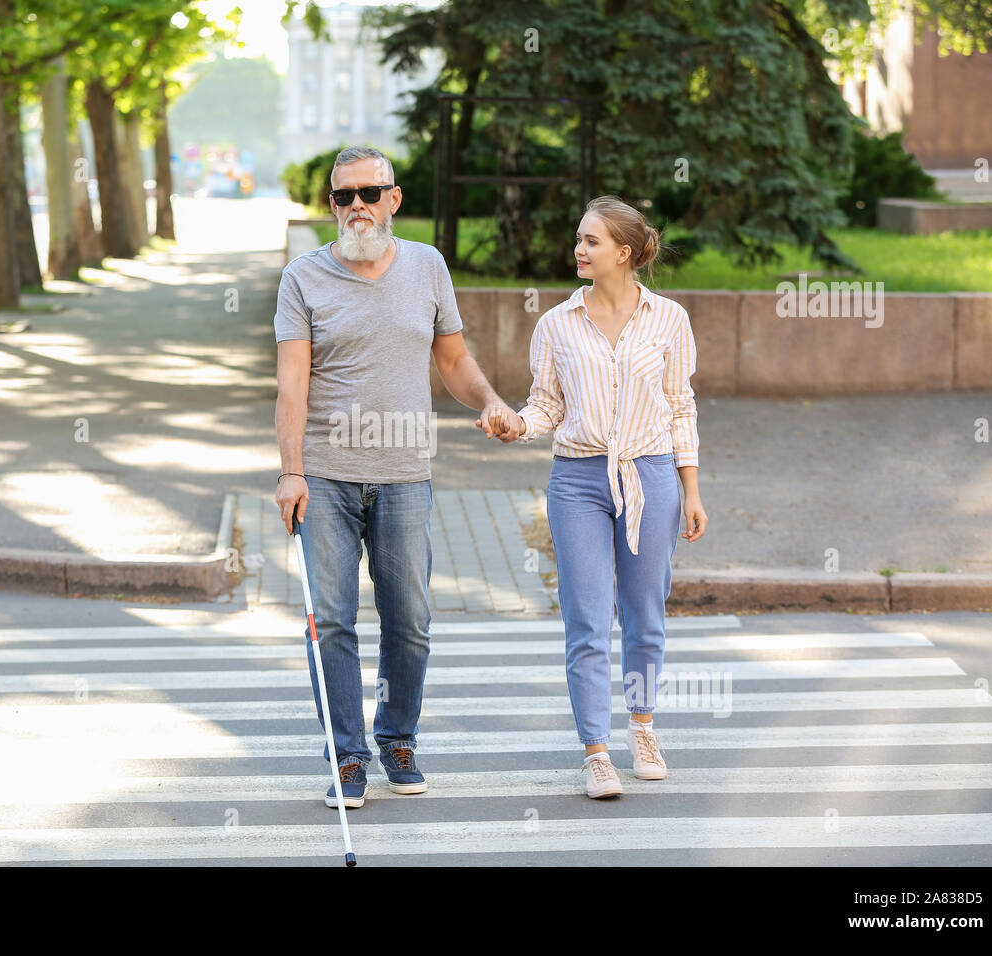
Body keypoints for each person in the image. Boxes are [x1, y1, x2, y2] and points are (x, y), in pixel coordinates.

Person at [274, 145, 517, 808]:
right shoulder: (303, 278)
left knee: (409, 617)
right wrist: (290, 471)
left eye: (369, 193)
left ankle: (397, 737)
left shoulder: (428, 267)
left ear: (394, 198)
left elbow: (455, 361)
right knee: (331, 619)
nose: (357, 207)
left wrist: (491, 401)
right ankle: (348, 757)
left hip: (405, 473)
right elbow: (292, 383)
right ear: (331, 205)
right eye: (343, 196)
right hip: (325, 475)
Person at [487, 195, 708, 798]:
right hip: (578, 480)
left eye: (591, 241)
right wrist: (517, 425)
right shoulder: (557, 324)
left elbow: (680, 406)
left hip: (652, 475)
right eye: (579, 239)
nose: (579, 250)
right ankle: (596, 751)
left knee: (644, 616)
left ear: (625, 253)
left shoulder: (669, 320)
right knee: (586, 620)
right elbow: (548, 405)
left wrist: (691, 489)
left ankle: (642, 729)